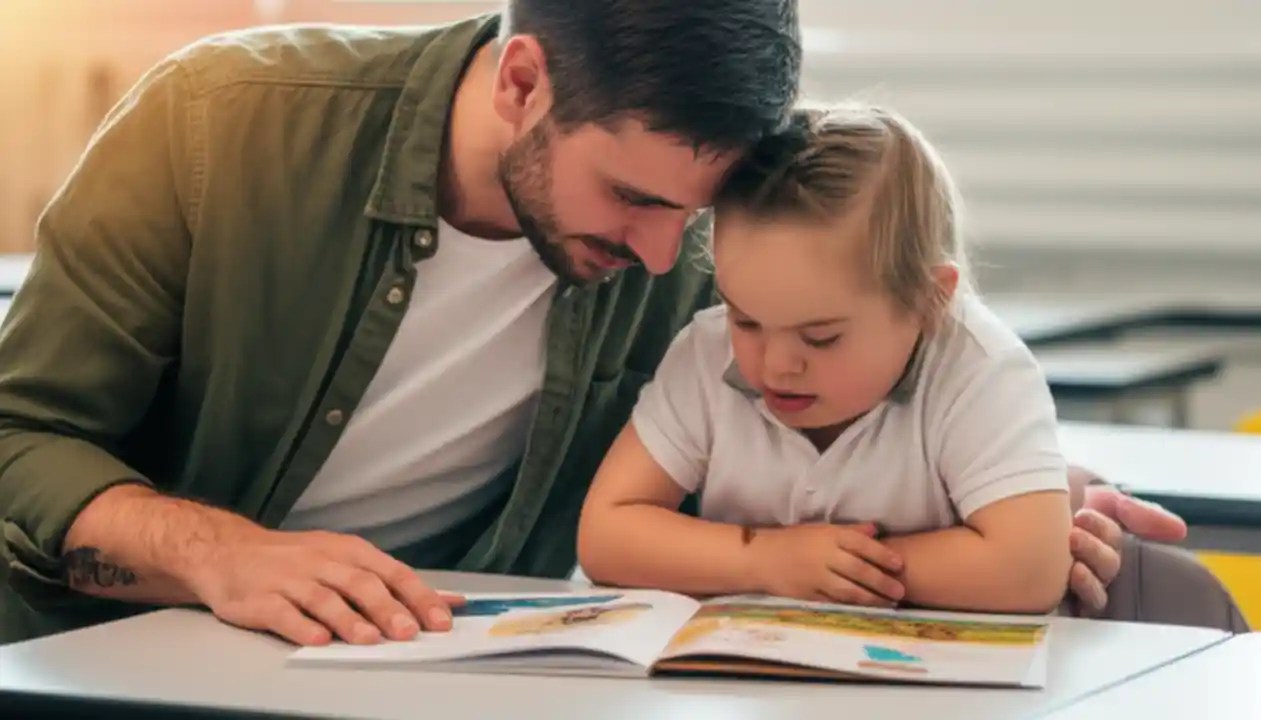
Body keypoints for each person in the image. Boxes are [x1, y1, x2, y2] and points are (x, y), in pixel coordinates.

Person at [0, 2, 1188, 647]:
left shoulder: (695, 239)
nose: (669, 259)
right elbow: (19, 439)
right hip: (106, 649)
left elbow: (773, 423)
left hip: (435, 664)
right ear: (522, 84)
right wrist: (229, 558)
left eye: (700, 217)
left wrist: (991, 485)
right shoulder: (221, 122)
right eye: (633, 200)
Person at [579, 105, 1074, 613]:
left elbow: (1029, 570)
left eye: (820, 338)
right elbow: (606, 533)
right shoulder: (707, 354)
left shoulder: (980, 371)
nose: (775, 366)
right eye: (745, 320)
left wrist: (833, 569)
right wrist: (766, 562)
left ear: (929, 303)